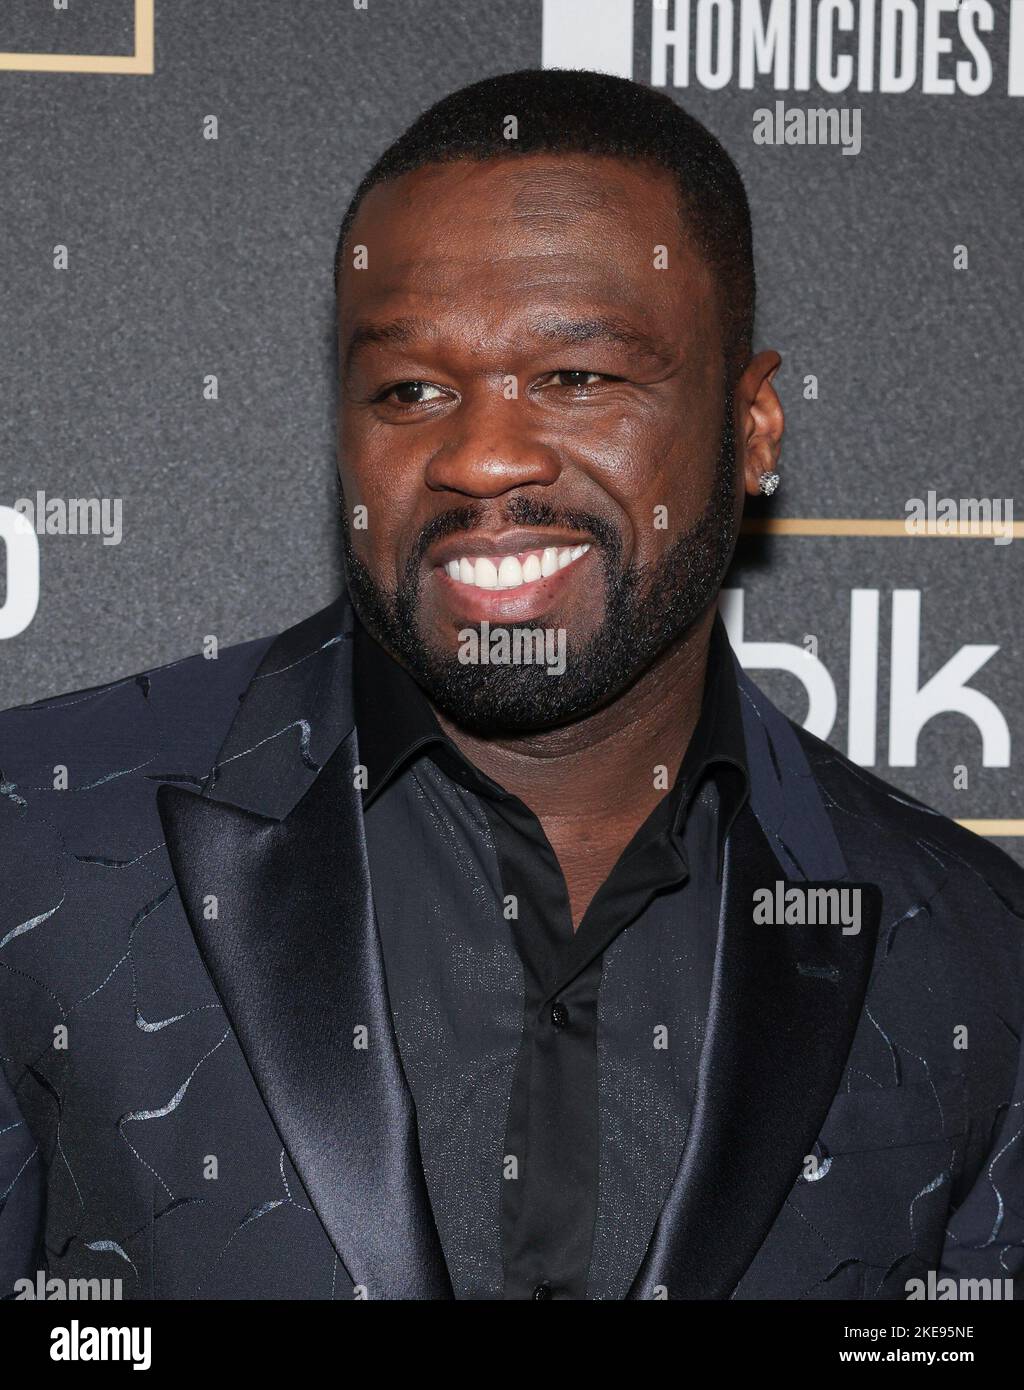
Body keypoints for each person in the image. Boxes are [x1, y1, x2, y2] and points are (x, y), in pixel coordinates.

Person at [1, 68, 1021, 1301]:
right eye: (411, 390)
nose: (483, 454)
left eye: (577, 378)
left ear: (752, 430)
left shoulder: (968, 945)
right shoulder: (39, 843)